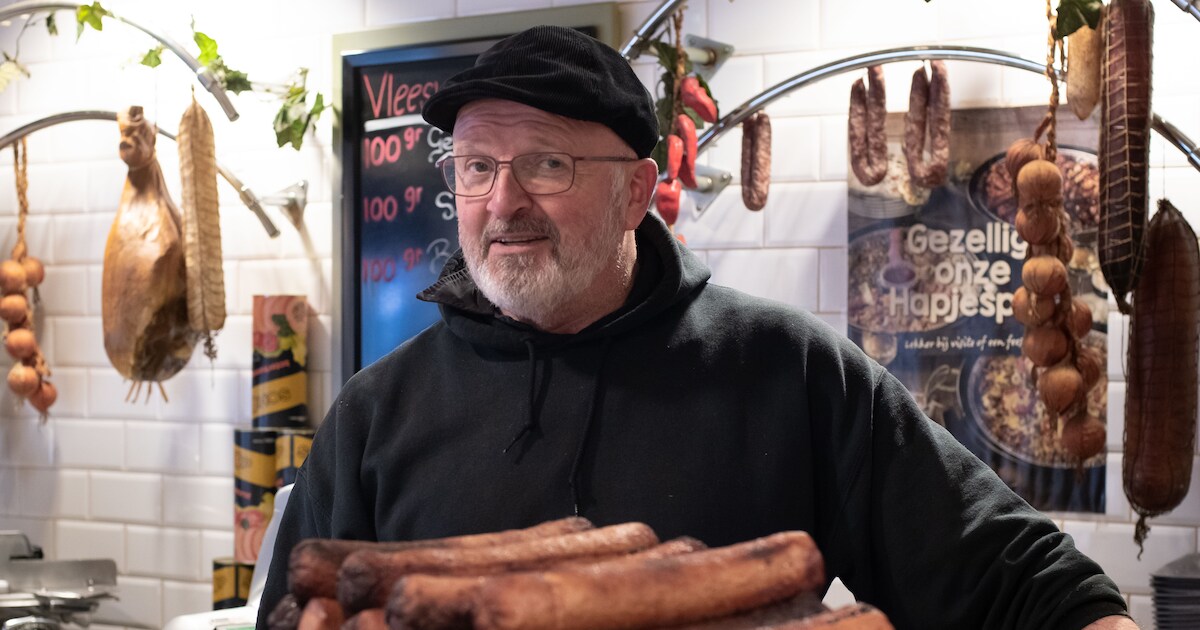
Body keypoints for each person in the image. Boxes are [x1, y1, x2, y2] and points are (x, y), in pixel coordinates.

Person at [258, 25, 1137, 630]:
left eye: (546, 165)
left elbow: (1014, 580)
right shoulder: (376, 414)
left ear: (637, 193)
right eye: (477, 167)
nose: (502, 201)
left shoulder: (789, 372)